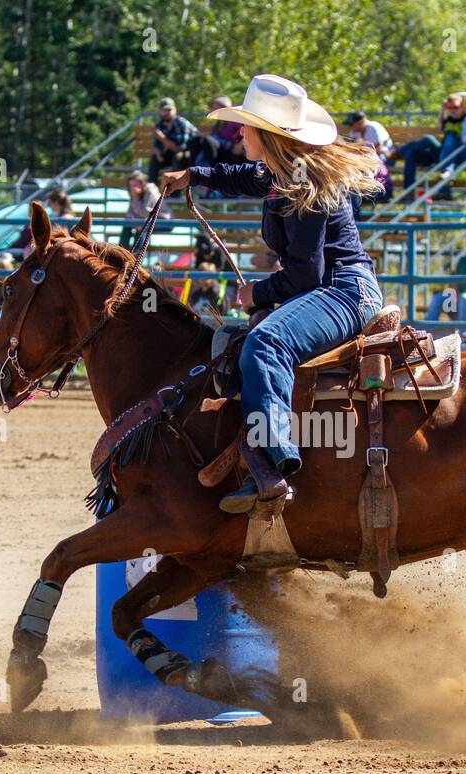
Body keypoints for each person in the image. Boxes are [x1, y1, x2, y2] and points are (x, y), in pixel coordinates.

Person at [160, 74, 384, 514]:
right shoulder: (283, 175)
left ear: (267, 134)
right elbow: (245, 177)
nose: (238, 132)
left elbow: (305, 274)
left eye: (245, 125)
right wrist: (195, 175)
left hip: (344, 291)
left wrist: (257, 293)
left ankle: (271, 463)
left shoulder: (306, 186)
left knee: (265, 343)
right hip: (333, 288)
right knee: (239, 344)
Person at [395, 94, 466, 191]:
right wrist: (443, 109)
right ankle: (409, 191)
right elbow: (440, 123)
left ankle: (398, 152)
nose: (452, 110)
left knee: (445, 139)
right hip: (441, 154)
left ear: (462, 108)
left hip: (453, 156)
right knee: (412, 151)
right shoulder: (448, 121)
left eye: (456, 107)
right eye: (449, 107)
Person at [148, 97, 199, 184]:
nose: (166, 113)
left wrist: (162, 138)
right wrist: (158, 153)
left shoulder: (182, 123)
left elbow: (179, 149)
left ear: (175, 110)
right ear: (160, 111)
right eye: (164, 110)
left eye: (169, 110)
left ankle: (175, 194)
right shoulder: (159, 124)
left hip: (190, 155)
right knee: (154, 160)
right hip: (171, 154)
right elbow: (155, 144)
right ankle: (153, 190)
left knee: (178, 157)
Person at [119, 171, 172, 249]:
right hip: (145, 221)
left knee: (142, 227)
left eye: (135, 185)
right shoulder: (134, 193)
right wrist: (133, 222)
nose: (133, 188)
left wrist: (135, 198)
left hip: (164, 221)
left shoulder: (150, 191)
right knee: (127, 224)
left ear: (142, 183)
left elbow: (146, 212)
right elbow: (129, 214)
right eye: (131, 186)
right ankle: (121, 251)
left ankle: (136, 257)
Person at [196, 95, 245, 167]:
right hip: (219, 148)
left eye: (217, 107)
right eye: (213, 107)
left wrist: (239, 146)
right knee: (197, 140)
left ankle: (207, 168)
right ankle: (195, 168)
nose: (214, 108)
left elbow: (245, 132)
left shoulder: (233, 120)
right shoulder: (217, 124)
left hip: (229, 147)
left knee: (207, 141)